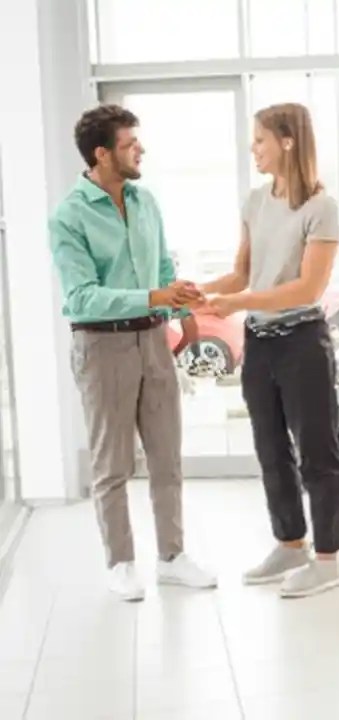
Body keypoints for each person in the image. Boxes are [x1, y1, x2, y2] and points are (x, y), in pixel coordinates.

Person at [49, 103, 217, 601]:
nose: (140, 149)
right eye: (129, 144)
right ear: (102, 154)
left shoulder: (145, 203)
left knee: (167, 456)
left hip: (153, 340)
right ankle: (121, 562)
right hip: (102, 347)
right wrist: (153, 297)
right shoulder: (68, 216)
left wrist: (179, 304)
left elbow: (161, 265)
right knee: (112, 463)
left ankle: (172, 556)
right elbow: (81, 297)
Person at [200, 102, 339, 598]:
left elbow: (307, 289)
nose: (253, 150)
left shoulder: (321, 208)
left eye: (260, 140)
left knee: (318, 453)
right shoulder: (255, 202)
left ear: (287, 141)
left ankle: (327, 559)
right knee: (270, 449)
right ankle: (290, 542)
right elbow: (242, 273)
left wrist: (236, 301)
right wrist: (196, 293)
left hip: (303, 341)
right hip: (259, 344)